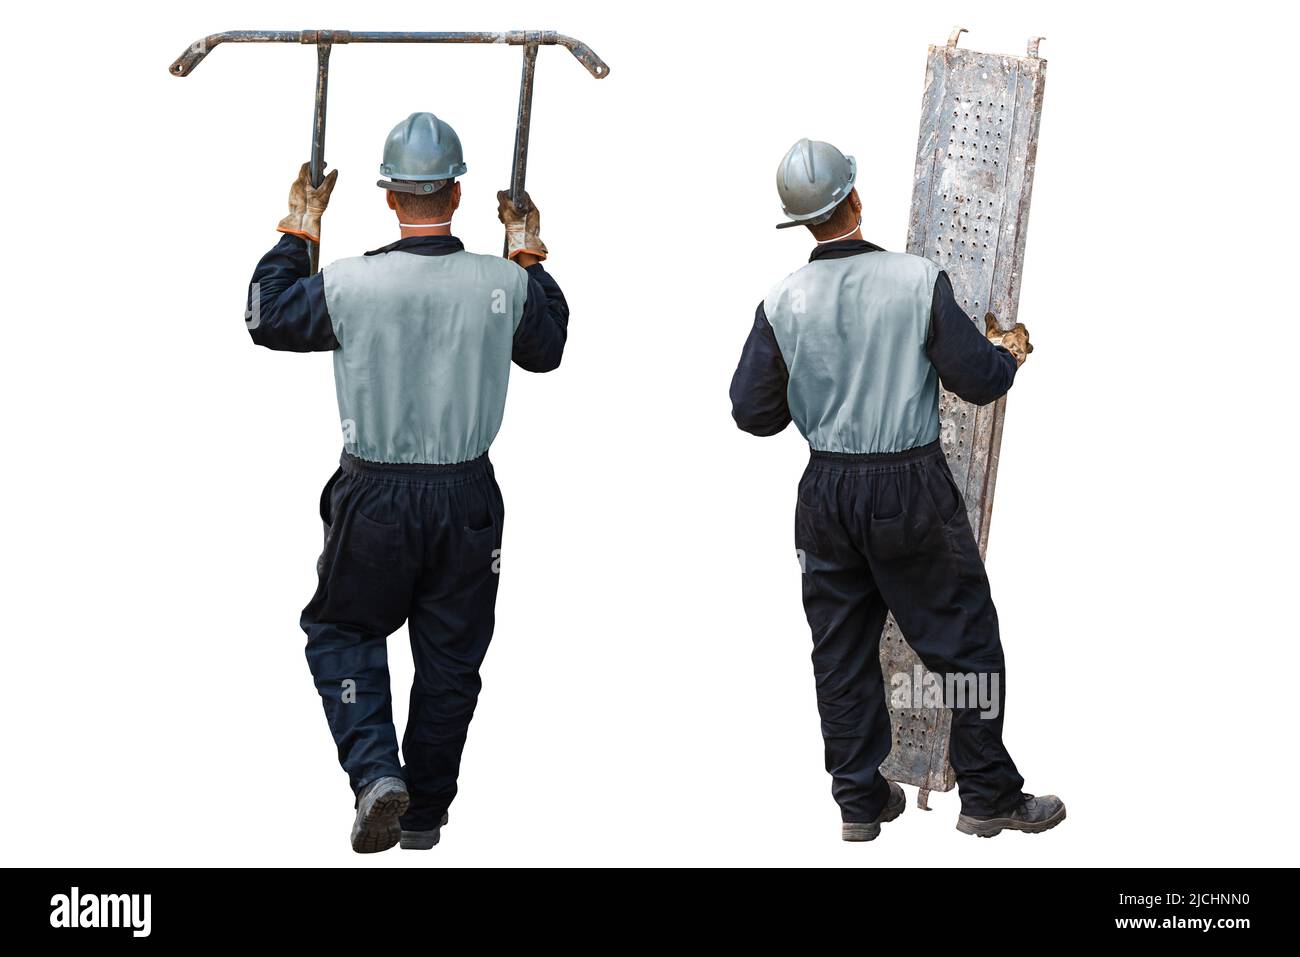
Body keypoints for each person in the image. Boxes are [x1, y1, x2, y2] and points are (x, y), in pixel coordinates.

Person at [246, 112, 569, 853]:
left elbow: (265, 317)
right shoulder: (500, 284)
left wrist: (300, 229)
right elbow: (548, 348)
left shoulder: (351, 284)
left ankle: (376, 775)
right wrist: (525, 251)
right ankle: (424, 811)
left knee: (344, 631)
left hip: (376, 497)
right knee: (450, 659)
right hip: (466, 501)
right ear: (457, 193)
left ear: (390, 198)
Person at [729, 137, 1061, 841]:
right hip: (909, 487)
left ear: (800, 222)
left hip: (826, 494)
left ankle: (859, 800)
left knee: (840, 651)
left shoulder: (781, 300)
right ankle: (987, 794)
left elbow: (752, 413)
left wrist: (817, 385)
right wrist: (1011, 353)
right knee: (967, 644)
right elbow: (978, 380)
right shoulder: (916, 280)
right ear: (854, 199)